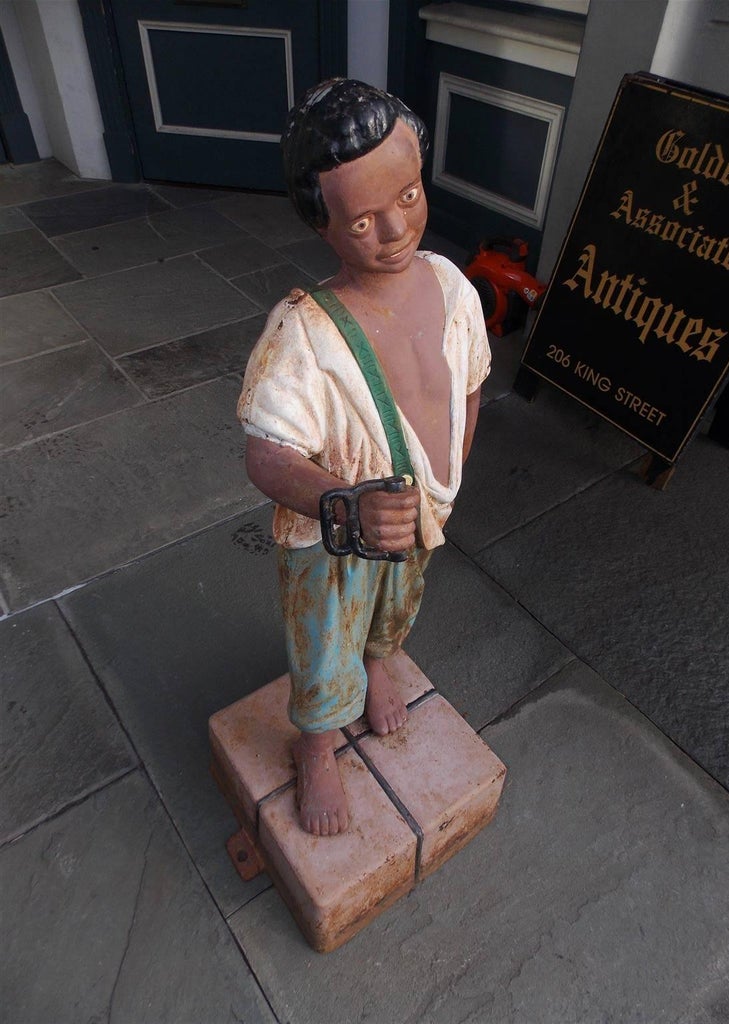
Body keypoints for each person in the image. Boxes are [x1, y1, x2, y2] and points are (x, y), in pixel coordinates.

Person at [237, 79, 490, 836]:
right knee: (323, 640)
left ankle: (382, 663)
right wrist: (340, 504)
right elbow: (266, 454)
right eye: (363, 220)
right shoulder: (302, 333)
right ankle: (317, 743)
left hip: (418, 513)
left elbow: (470, 382)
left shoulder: (451, 286)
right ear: (324, 227)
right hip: (331, 536)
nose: (394, 228)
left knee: (397, 605)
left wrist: (449, 478)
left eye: (408, 196)